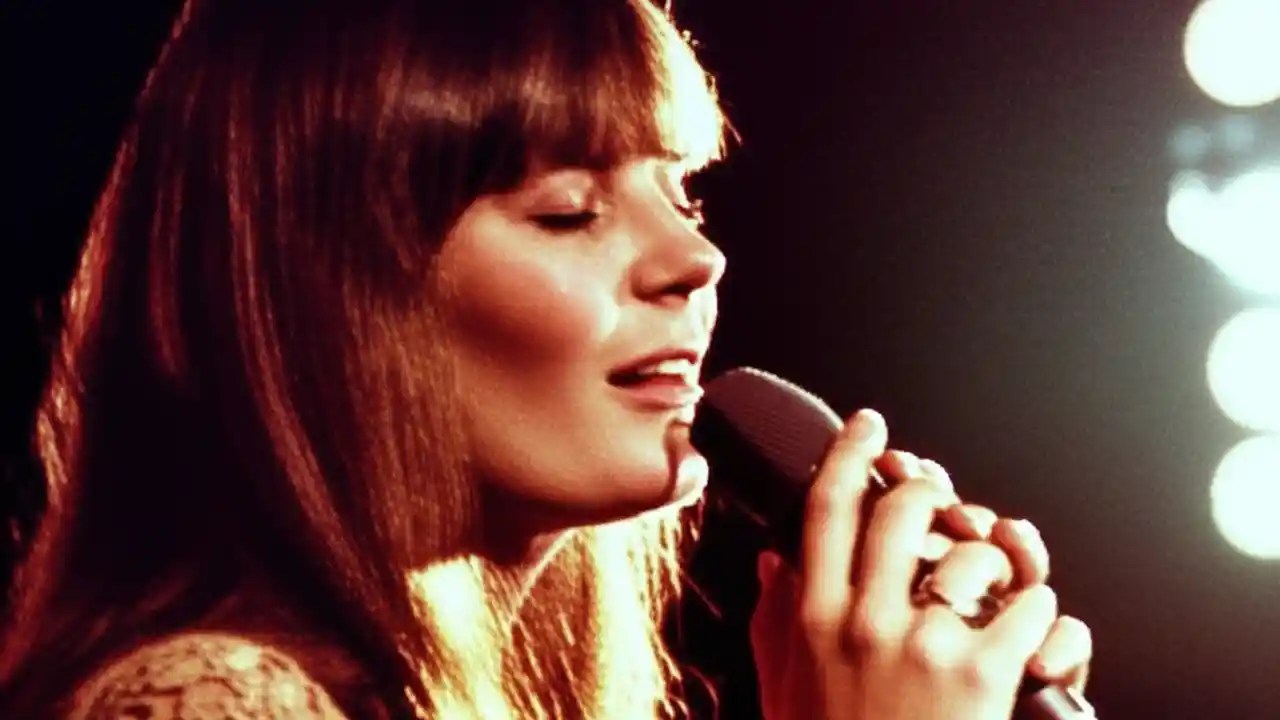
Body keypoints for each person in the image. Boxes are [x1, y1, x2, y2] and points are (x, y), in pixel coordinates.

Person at [0, 0, 1093, 718]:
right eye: (568, 211)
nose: (695, 257)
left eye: (680, 190)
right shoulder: (212, 699)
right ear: (328, 291)